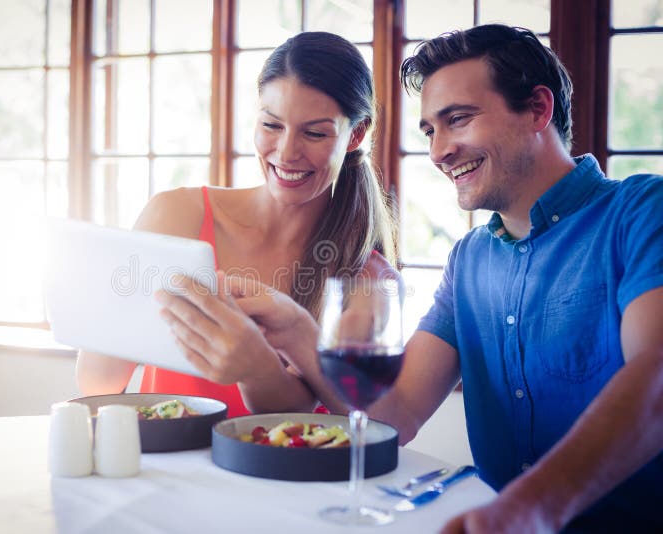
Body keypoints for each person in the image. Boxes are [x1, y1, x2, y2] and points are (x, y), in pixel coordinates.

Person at [219, 24, 663, 532]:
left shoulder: (642, 212)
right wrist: (296, 331)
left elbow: (657, 377)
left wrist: (531, 507)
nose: (440, 151)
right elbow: (396, 415)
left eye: (459, 119)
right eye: (431, 130)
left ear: (538, 109)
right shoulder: (469, 259)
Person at [76, 31, 398, 417]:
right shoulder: (176, 215)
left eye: (314, 132)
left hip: (279, 473)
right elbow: (97, 383)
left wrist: (257, 365)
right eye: (272, 126)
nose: (286, 152)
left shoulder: (365, 279)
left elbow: (316, 415)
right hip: (168, 468)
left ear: (355, 135)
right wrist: (108, 296)